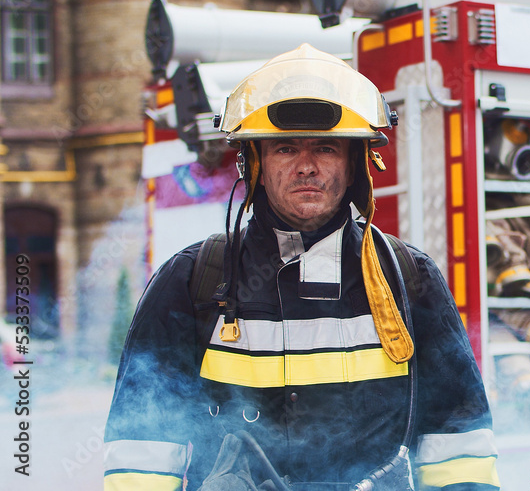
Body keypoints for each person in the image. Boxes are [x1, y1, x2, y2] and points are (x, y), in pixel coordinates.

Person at [104, 44, 500, 490]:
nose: (307, 167)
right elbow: (143, 449)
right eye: (286, 148)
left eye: (326, 148)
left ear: (354, 167)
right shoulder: (191, 279)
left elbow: (458, 443)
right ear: (253, 163)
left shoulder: (409, 278)